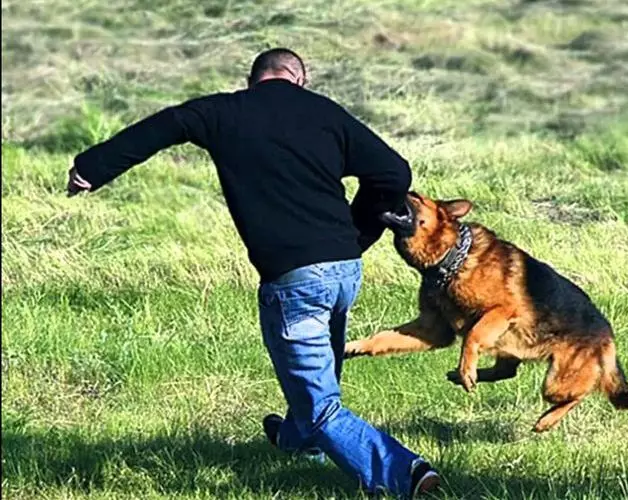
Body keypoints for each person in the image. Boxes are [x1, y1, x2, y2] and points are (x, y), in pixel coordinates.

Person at [66, 48, 440, 498]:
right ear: (300, 79)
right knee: (318, 370)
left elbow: (162, 127)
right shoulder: (323, 112)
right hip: (344, 271)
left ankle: (406, 474)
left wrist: (92, 167)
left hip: (294, 280)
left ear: (252, 80)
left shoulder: (223, 112)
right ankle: (296, 442)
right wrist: (357, 229)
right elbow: (394, 172)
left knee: (321, 404)